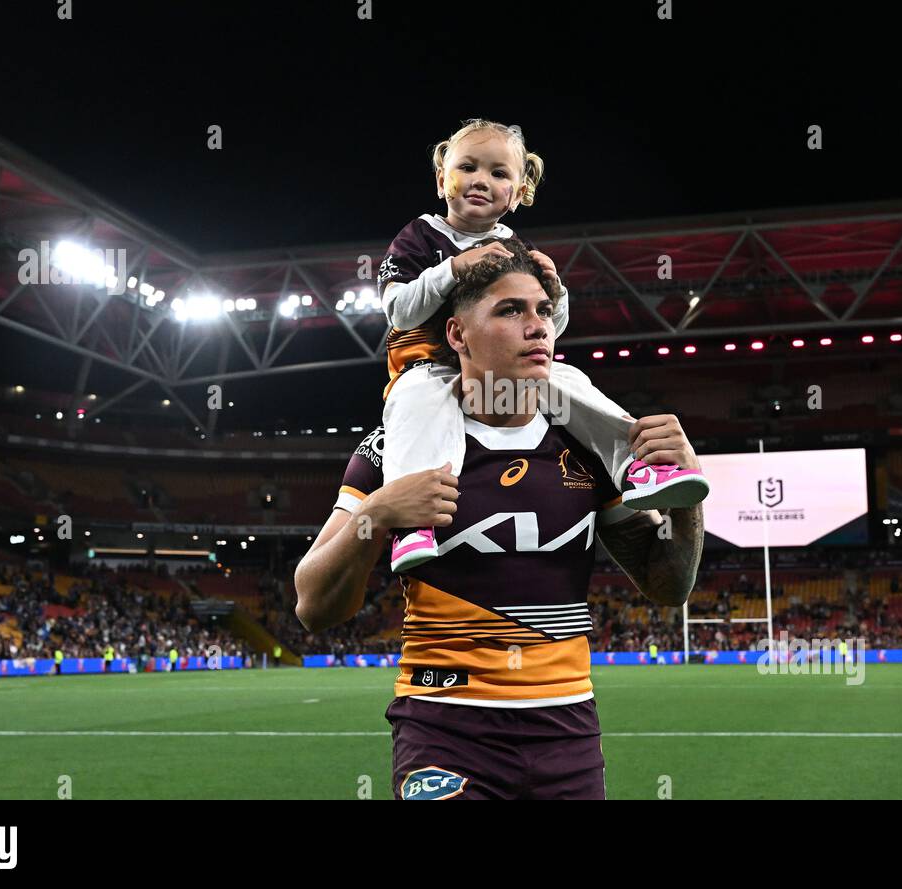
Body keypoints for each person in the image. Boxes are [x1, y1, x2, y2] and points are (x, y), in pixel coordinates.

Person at [295, 239, 705, 799]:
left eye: (542, 311)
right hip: (442, 723)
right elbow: (314, 607)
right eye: (511, 311)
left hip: (568, 729)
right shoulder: (395, 446)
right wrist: (379, 511)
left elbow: (667, 585)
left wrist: (689, 501)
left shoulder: (585, 441)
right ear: (457, 335)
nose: (537, 327)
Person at [376, 119, 708, 573]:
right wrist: (451, 270)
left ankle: (642, 465)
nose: (480, 180)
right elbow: (399, 312)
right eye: (467, 167)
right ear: (441, 179)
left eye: (499, 173)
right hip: (427, 368)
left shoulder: (517, 246)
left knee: (571, 382)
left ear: (517, 194)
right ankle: (413, 524)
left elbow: (551, 327)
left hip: (506, 374)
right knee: (415, 408)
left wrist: (556, 291)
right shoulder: (419, 236)